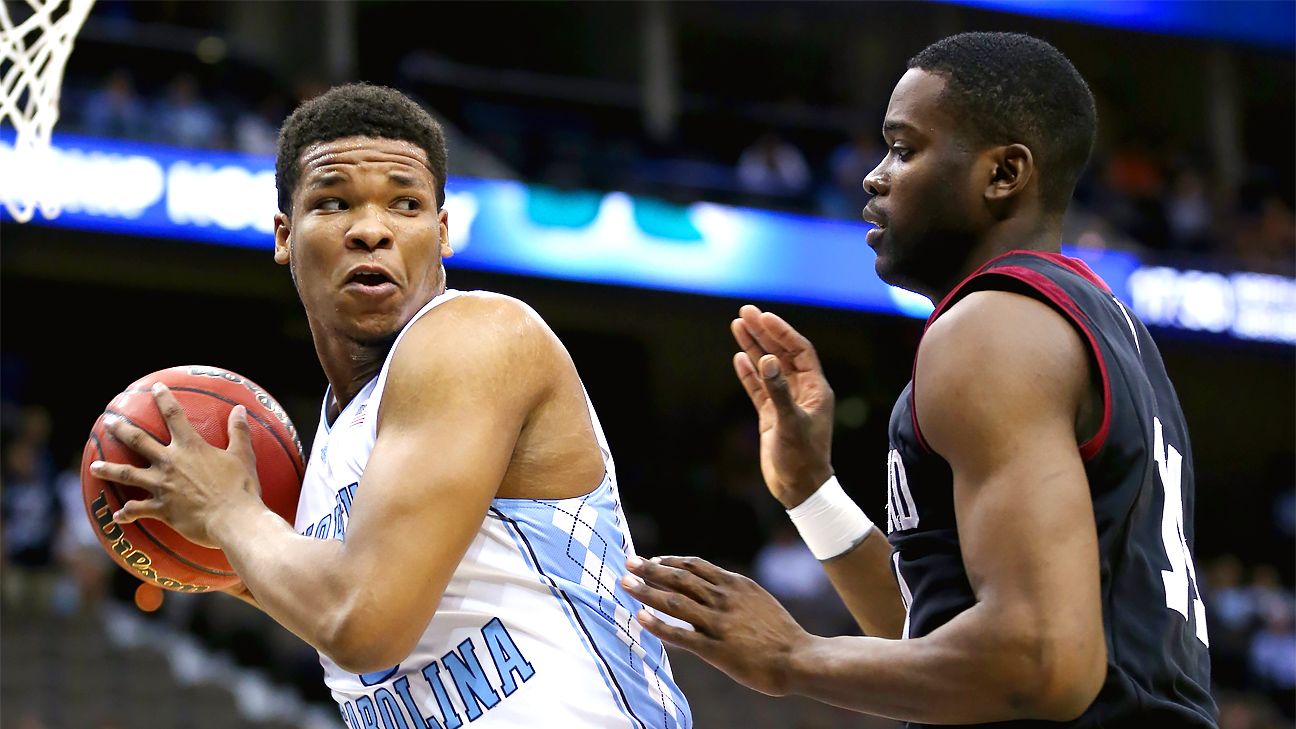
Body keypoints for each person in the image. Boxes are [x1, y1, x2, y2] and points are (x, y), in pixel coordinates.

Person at [622, 32, 1217, 728]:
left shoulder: (992, 327)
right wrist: (813, 491)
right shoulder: (1097, 325)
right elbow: (944, 639)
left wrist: (791, 655)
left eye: (904, 149)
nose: (874, 176)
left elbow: (1038, 663)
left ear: (1004, 173)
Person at [90, 83, 691, 729]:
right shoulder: (330, 439)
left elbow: (364, 624)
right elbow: (362, 623)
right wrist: (236, 560)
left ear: (442, 234)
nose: (372, 230)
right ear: (285, 236)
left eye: (405, 204)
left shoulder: (479, 335)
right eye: (335, 203)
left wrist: (231, 513)